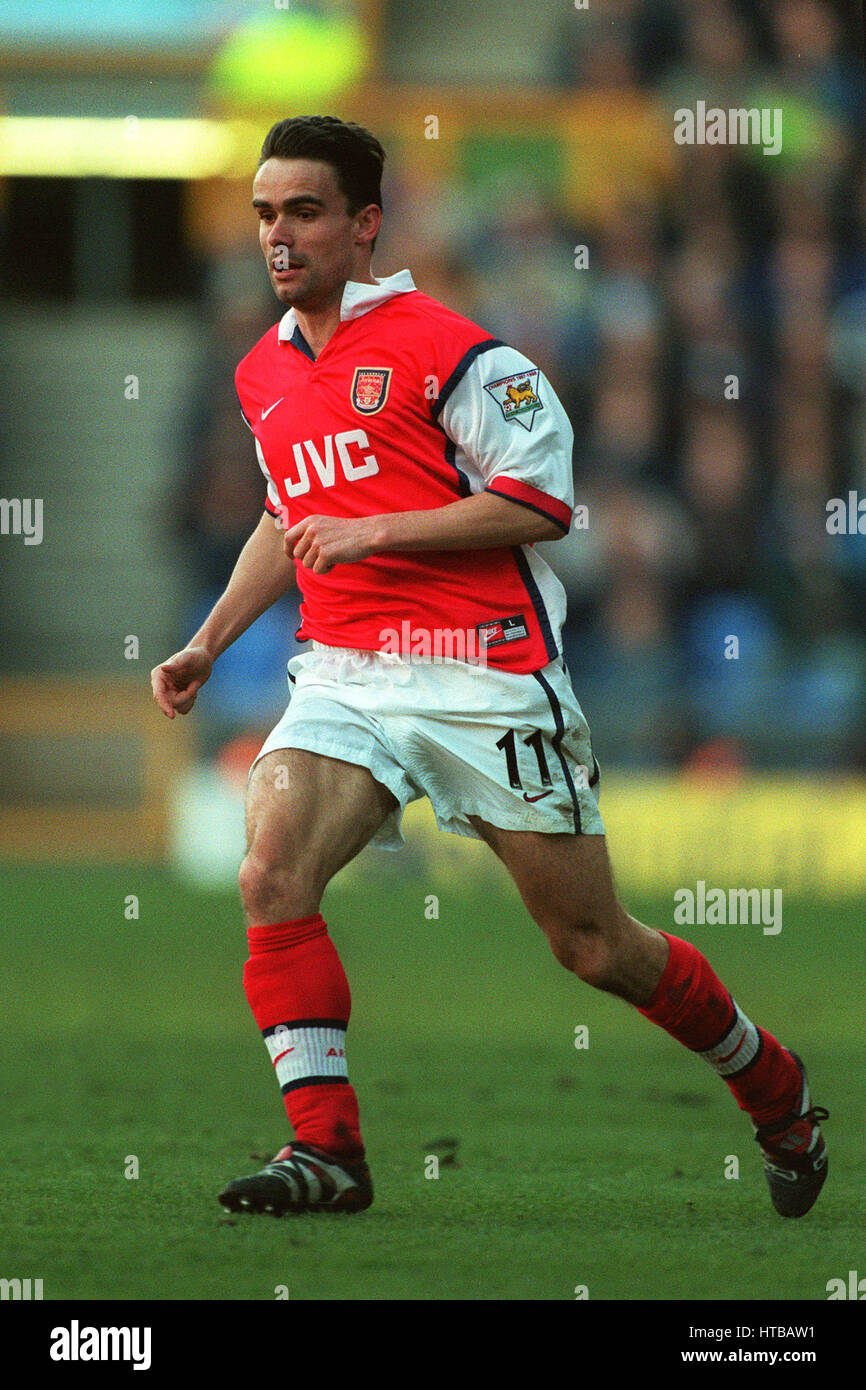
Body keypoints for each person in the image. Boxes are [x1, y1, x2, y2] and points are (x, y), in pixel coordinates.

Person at [151, 116, 828, 1219]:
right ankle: (325, 1150)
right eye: (266, 213)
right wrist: (209, 639)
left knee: (592, 945)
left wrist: (377, 533)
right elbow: (287, 513)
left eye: (305, 212)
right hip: (346, 672)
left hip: (481, 670)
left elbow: (539, 502)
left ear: (364, 224)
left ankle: (773, 1085)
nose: (278, 236)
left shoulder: (453, 350)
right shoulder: (263, 368)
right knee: (269, 869)